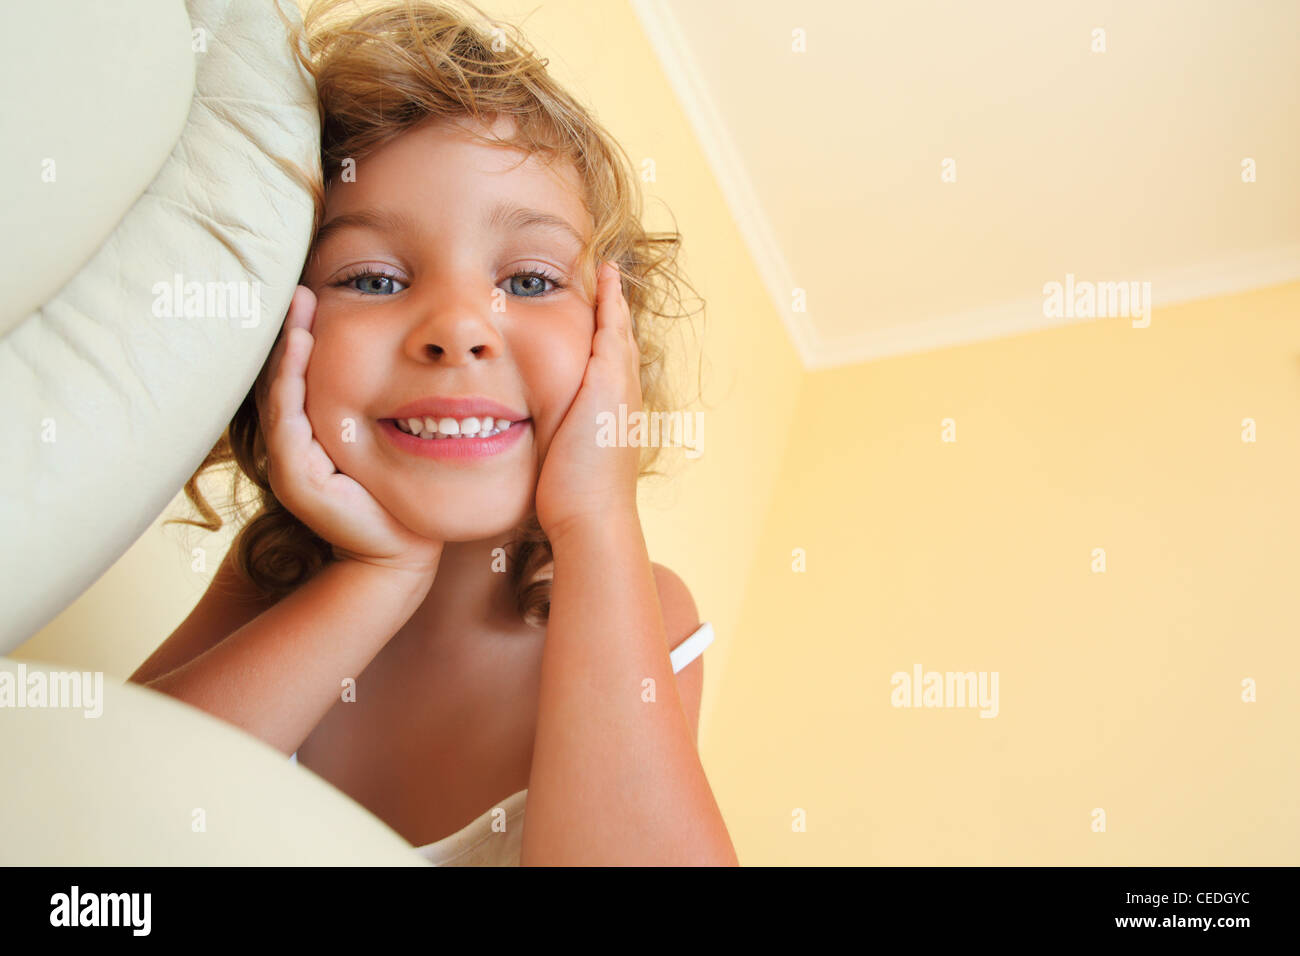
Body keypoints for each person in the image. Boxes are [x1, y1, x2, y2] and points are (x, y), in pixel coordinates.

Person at [126, 0, 734, 866]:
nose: (458, 327)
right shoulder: (271, 580)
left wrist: (598, 517)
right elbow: (80, 815)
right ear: (273, 345)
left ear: (614, 341)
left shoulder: (638, 604)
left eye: (527, 282)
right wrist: (378, 576)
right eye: (372, 279)